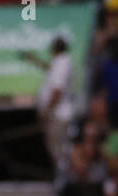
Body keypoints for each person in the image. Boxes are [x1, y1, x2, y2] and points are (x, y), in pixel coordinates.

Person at [28, 36, 75, 167]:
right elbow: (50, 69)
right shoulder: (60, 62)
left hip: (58, 115)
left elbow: (57, 92)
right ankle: (62, 178)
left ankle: (63, 180)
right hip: (57, 114)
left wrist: (46, 112)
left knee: (58, 151)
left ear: (54, 48)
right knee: (57, 150)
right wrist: (34, 60)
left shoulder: (62, 62)